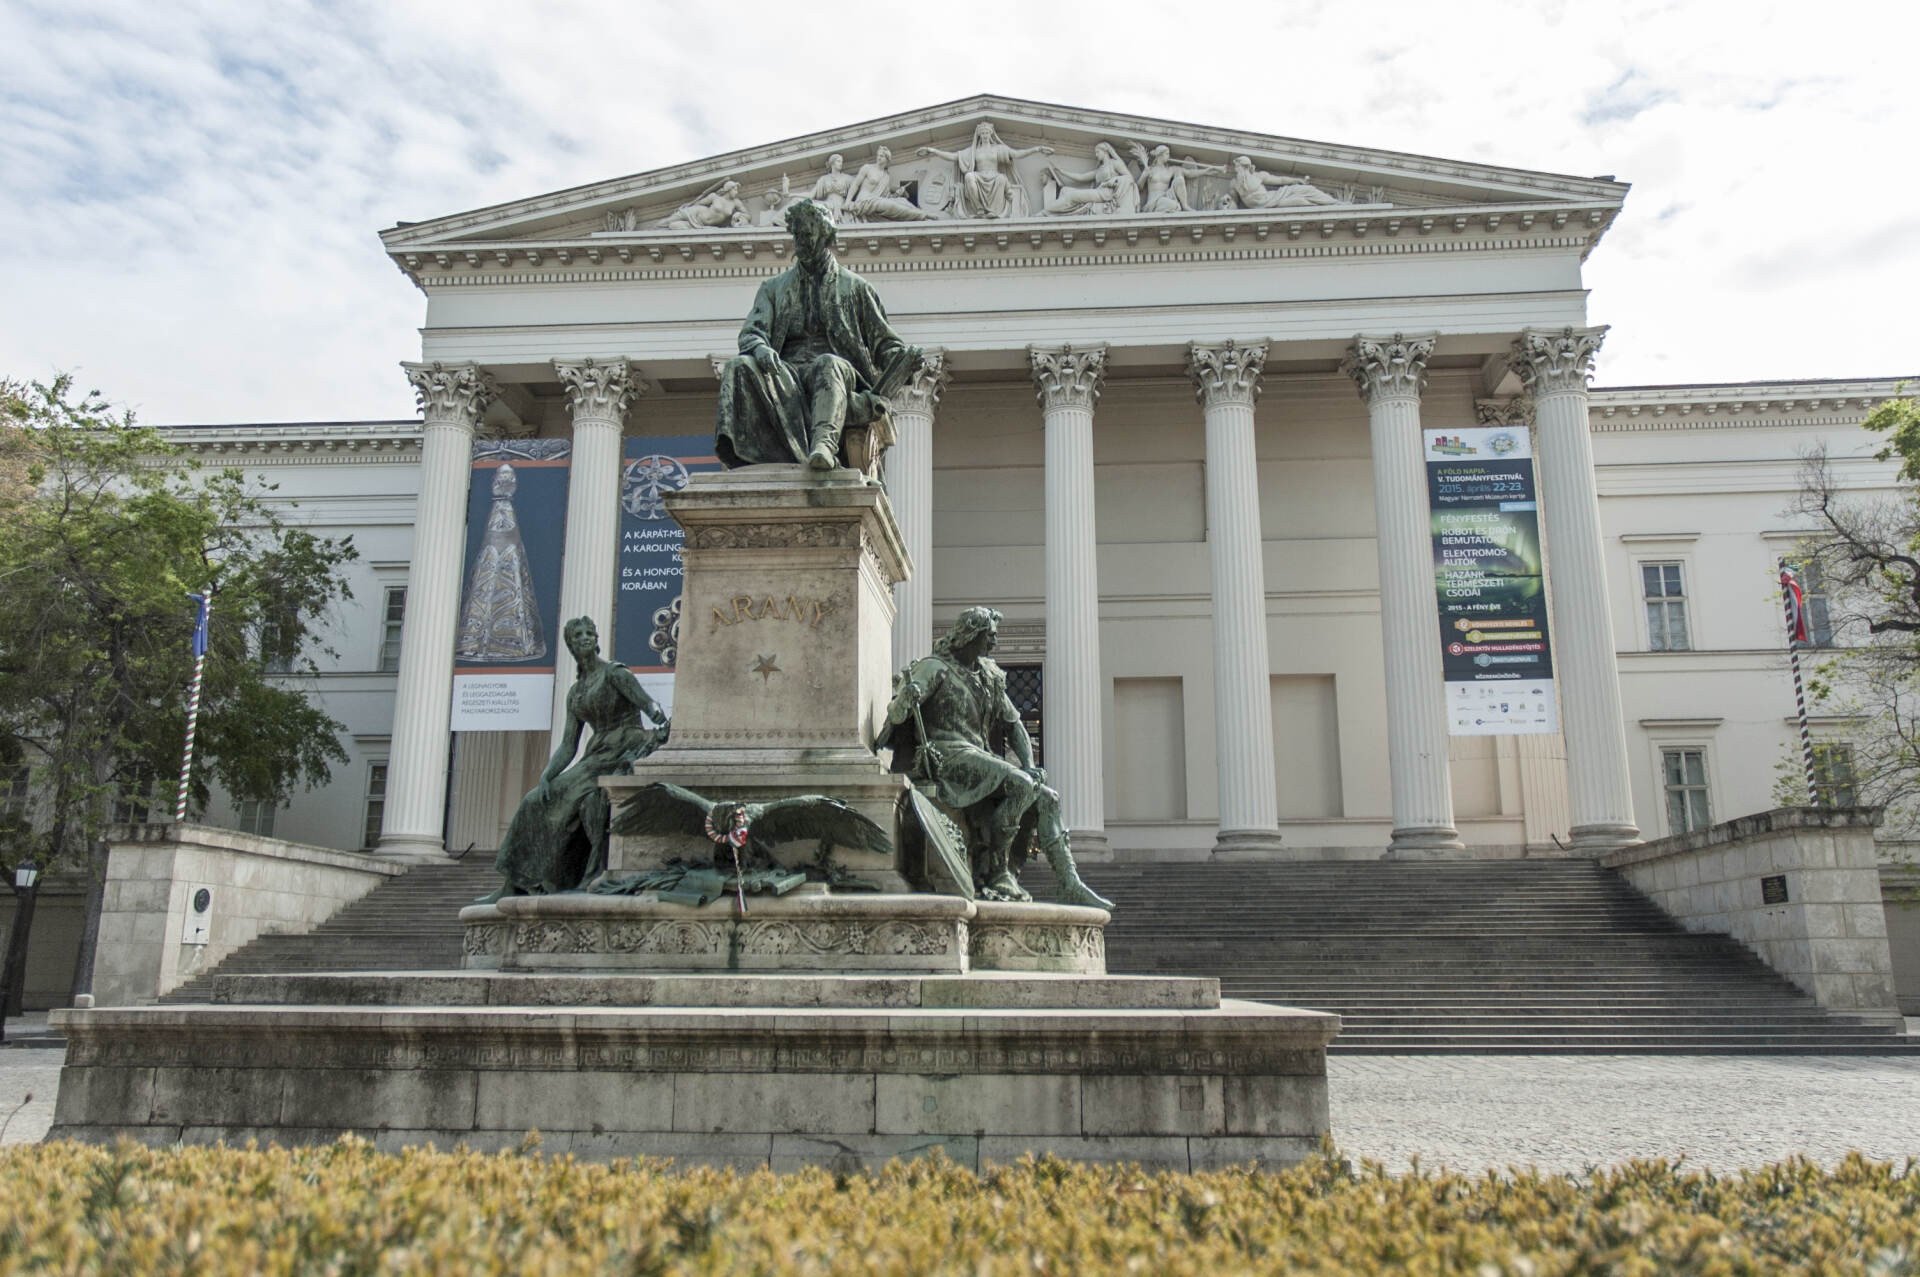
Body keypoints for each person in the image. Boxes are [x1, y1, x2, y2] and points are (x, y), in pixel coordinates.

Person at [880, 606, 1112, 909]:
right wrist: (905, 701)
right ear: (970, 635)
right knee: (1019, 784)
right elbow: (897, 714)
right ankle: (998, 872)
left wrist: (1029, 764)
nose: (993, 643)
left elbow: (1014, 724)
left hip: (977, 757)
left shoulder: (988, 675)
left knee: (1048, 798)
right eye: (989, 636)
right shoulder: (933, 668)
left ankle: (1069, 883)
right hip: (947, 757)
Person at [713, 199, 924, 470]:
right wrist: (761, 348)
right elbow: (752, 332)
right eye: (797, 235)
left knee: (828, 363)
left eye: (806, 235)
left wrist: (903, 361)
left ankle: (824, 444)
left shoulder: (855, 288)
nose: (800, 242)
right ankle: (742, 457)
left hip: (837, 374)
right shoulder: (774, 288)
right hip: (785, 372)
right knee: (738, 365)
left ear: (826, 237)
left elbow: (885, 343)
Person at [477, 617, 667, 901]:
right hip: (597, 754)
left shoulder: (615, 674)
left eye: (589, 633)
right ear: (571, 644)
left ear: (596, 639)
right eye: (578, 635)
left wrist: (658, 716)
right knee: (534, 799)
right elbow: (568, 744)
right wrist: (548, 774)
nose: (585, 638)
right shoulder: (576, 693)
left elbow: (646, 702)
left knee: (584, 802)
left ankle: (552, 875)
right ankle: (514, 881)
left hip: (626, 747)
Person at [917, 124, 1053, 219]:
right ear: (979, 135)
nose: (985, 135)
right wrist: (933, 151)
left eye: (987, 133)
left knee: (1000, 179)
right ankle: (979, 209)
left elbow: (1016, 154)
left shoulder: (998, 149)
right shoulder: (973, 152)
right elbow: (954, 157)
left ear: (991, 134)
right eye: (982, 133)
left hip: (994, 177)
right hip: (979, 177)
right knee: (969, 176)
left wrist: (1037, 149)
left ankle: (994, 211)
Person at [1041, 142, 1140, 216]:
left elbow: (1129, 178)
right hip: (1099, 192)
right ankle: (1055, 214)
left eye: (1097, 152)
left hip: (1106, 194)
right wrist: (1061, 171)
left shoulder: (1115, 163)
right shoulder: (1099, 170)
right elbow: (1081, 177)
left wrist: (1112, 181)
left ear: (1105, 152)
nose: (1096, 155)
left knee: (1072, 196)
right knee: (1065, 190)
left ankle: (1046, 213)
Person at [845, 147, 938, 222]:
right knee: (891, 205)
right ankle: (924, 215)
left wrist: (898, 193)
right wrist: (847, 202)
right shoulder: (867, 168)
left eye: (882, 156)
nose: (878, 157)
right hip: (865, 201)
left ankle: (921, 217)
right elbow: (855, 184)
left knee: (903, 201)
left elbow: (886, 196)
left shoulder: (886, 176)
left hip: (877, 201)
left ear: (887, 159)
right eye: (878, 155)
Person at [1225, 155, 1340, 209]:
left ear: (1245, 167)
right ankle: (1324, 206)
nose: (1236, 169)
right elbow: (1232, 200)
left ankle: (1334, 203)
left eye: (1238, 166)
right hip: (1265, 206)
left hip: (1274, 197)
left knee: (1306, 189)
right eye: (1236, 167)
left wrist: (1295, 180)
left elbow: (1280, 180)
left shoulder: (1259, 176)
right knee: (1300, 201)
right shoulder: (1234, 183)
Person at [807, 155, 854, 222]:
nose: (841, 163)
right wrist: (791, 194)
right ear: (832, 163)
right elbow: (811, 195)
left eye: (842, 162)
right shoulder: (824, 179)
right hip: (828, 205)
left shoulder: (847, 178)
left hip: (841, 206)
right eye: (838, 161)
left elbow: (858, 187)